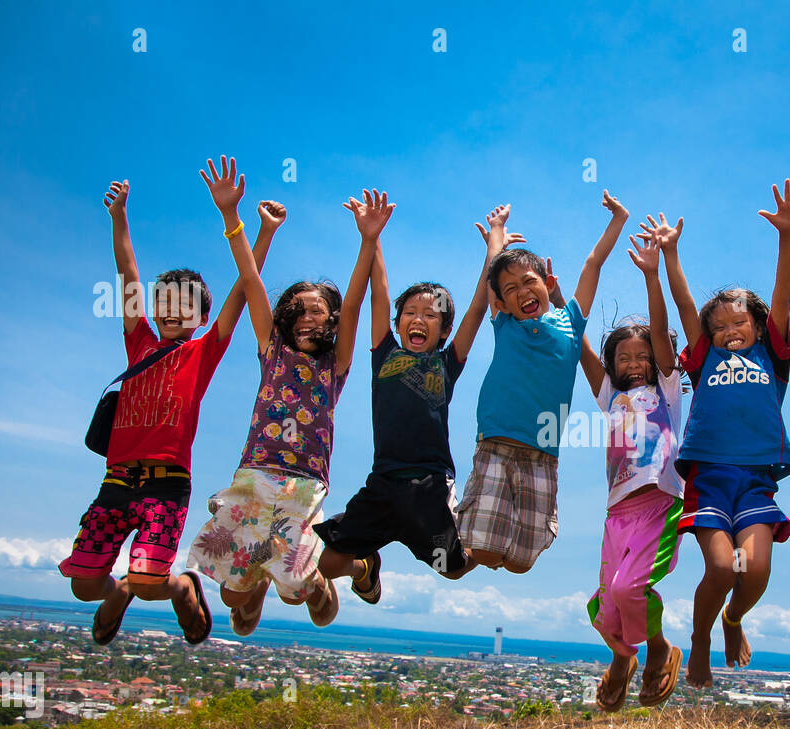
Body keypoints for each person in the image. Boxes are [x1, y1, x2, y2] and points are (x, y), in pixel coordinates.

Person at [60, 164, 273, 645]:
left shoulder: (201, 352)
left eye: (184, 303)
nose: (172, 309)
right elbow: (127, 273)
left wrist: (255, 228)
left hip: (166, 483)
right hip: (116, 481)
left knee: (151, 583)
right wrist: (119, 217)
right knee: (83, 585)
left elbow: (245, 291)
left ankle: (182, 587)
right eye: (164, 301)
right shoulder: (139, 344)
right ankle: (118, 594)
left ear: (200, 316)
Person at [188, 189, 393, 634]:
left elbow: (355, 302)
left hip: (302, 482)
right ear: (283, 318)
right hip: (254, 474)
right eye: (297, 309)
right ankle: (259, 582)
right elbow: (251, 279)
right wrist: (233, 217)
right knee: (229, 593)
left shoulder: (334, 364)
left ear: (332, 321)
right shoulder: (272, 351)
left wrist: (368, 240)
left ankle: (325, 578)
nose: (306, 317)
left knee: (297, 588)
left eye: (317, 311)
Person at [645, 179, 790, 688]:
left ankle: (733, 619)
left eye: (740, 322)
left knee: (753, 573)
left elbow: (782, 294)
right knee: (720, 569)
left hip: (756, 481)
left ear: (758, 326)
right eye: (720, 326)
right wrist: (672, 255)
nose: (730, 330)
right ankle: (699, 640)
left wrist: (787, 236)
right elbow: (685, 303)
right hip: (709, 480)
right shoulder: (704, 359)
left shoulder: (772, 356)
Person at [315, 205, 515, 597]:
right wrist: (371, 237)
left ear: (444, 331)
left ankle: (479, 535)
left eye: (430, 314)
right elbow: (380, 292)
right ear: (397, 321)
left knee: (453, 569)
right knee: (329, 564)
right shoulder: (384, 353)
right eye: (409, 313)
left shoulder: (447, 362)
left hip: (428, 489)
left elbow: (478, 306)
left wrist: (495, 242)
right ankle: (366, 568)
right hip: (384, 485)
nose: (418, 319)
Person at [456, 190, 630, 573]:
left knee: (520, 564)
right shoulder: (505, 324)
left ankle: (482, 534)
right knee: (484, 555)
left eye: (528, 282)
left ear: (547, 282)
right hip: (496, 447)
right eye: (511, 290)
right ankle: (463, 520)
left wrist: (617, 220)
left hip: (543, 457)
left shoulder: (570, 323)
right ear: (502, 303)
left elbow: (593, 263)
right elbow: (491, 279)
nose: (522, 292)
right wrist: (496, 234)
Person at [580, 233, 686, 711]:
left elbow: (661, 335)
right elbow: (578, 346)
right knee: (603, 606)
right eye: (625, 358)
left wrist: (652, 274)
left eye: (643, 356)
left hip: (660, 501)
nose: (636, 363)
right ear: (613, 366)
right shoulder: (610, 398)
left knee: (629, 588)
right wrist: (562, 302)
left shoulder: (666, 391)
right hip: (616, 511)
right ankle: (623, 657)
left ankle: (660, 650)